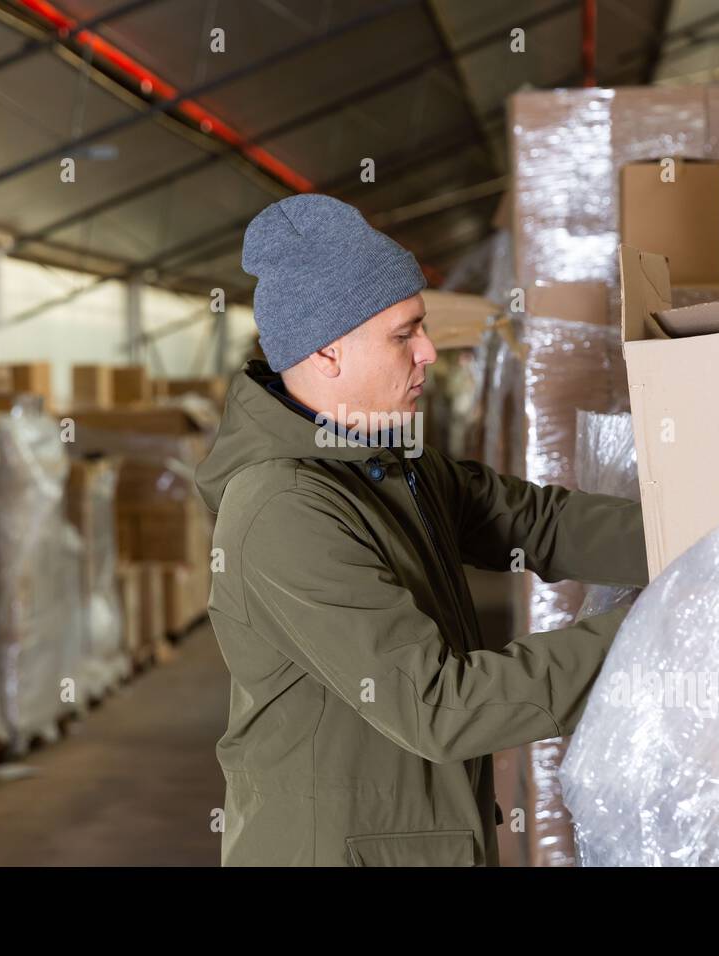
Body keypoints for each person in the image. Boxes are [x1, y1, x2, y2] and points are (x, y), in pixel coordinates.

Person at [194, 194, 648, 866]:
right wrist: (659, 629)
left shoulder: (383, 460)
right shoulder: (283, 508)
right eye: (404, 334)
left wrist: (701, 535)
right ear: (327, 353)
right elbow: (440, 705)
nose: (430, 352)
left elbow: (535, 523)